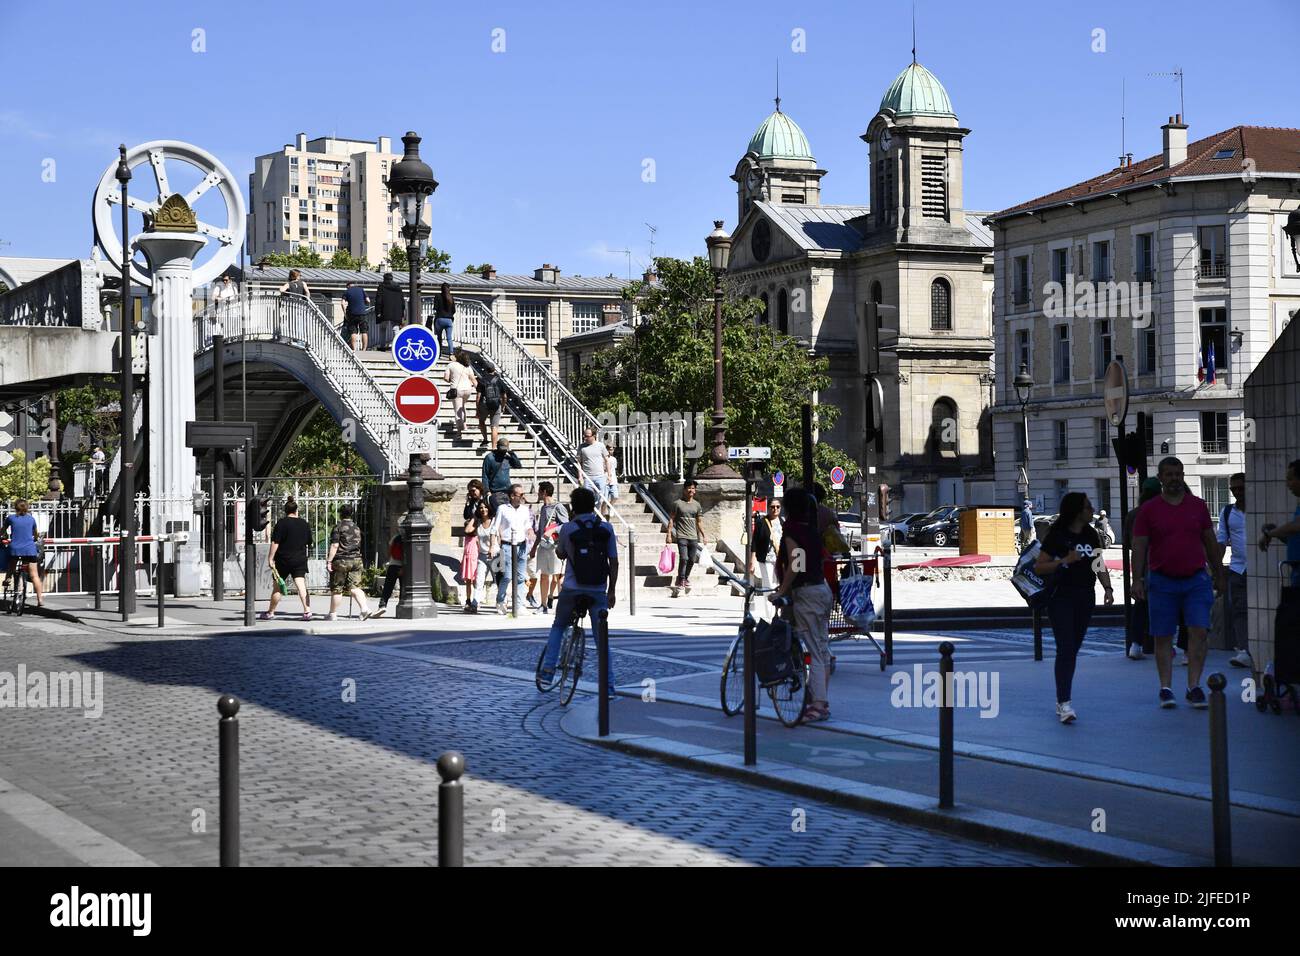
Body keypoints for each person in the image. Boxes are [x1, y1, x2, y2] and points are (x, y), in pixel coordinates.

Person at [1131, 457, 1224, 709]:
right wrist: (1136, 579)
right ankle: (1166, 687)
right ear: (1160, 478)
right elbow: (1139, 547)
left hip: (1196, 580)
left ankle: (1194, 686)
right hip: (1162, 581)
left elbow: (1210, 542)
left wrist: (1219, 573)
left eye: (1178, 474)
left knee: (1199, 632)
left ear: (1183, 475)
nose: (1174, 478)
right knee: (1163, 636)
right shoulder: (1148, 510)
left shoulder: (1198, 506)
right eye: (1169, 474)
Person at [1034, 492, 1114, 723]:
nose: (1092, 510)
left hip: (1085, 597)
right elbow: (1040, 567)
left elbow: (1099, 562)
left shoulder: (1091, 534)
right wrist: (1064, 561)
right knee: (1066, 648)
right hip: (1061, 597)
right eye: (1088, 507)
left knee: (1073, 648)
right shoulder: (1057, 536)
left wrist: (1107, 588)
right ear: (1078, 511)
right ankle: (1064, 702)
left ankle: (1063, 699)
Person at [537, 486, 618, 697]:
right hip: (598, 590)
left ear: (573, 507)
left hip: (572, 588)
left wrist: (560, 549)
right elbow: (614, 561)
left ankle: (547, 671)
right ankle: (608, 686)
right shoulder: (607, 529)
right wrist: (612, 591)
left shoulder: (568, 529)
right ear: (593, 505)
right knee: (602, 640)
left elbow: (562, 553)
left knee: (559, 626)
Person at [770, 489, 833, 722]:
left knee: (815, 651)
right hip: (822, 589)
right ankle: (819, 699)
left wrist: (781, 591)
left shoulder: (793, 531)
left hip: (807, 592)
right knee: (821, 648)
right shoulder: (811, 530)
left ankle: (818, 705)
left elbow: (796, 564)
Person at [1123, 477, 1163, 660]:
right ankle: (1171, 645)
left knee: (1140, 606)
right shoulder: (1161, 511)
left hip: (1142, 566)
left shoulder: (1133, 515)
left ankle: (1136, 644)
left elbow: (1128, 544)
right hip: (1161, 563)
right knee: (1168, 605)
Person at [1217, 472, 1251, 669]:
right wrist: (1217, 567)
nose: (1237, 492)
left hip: (1259, 568)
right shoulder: (1227, 512)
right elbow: (1221, 540)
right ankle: (1244, 651)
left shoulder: (1260, 508)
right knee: (1238, 610)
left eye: (1241, 488)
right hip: (1238, 568)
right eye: (1234, 489)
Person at [261, 498, 311, 621]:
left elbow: (275, 542)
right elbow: (309, 542)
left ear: (285, 511)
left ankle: (270, 612)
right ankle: (307, 611)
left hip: (283, 560)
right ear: (296, 510)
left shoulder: (281, 523)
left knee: (278, 587)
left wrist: (270, 558)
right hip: (299, 559)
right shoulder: (304, 524)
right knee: (301, 586)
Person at [325, 503, 372, 621]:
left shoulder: (338, 527)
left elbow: (335, 545)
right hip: (356, 560)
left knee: (337, 588)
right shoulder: (356, 527)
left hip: (341, 560)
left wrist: (329, 561)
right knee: (355, 587)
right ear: (351, 514)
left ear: (340, 514)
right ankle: (365, 608)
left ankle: (333, 614)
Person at [1259, 458, 1300, 588]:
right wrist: (1275, 532)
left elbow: (1296, 527)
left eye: (1290, 479)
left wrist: (1269, 534)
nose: (1288, 485)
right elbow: (1294, 538)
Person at [530, 481, 569, 613]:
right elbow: (540, 530)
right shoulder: (543, 508)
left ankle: (563, 605)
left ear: (544, 492)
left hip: (555, 546)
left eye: (540, 491)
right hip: (543, 545)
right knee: (544, 575)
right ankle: (543, 604)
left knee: (557, 575)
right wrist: (534, 547)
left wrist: (553, 530)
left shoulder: (558, 507)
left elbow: (566, 525)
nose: (538, 493)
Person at [493, 484, 531, 615]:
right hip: (507, 545)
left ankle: (519, 604)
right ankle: (500, 600)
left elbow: (527, 526)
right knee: (507, 576)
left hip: (521, 545)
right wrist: (494, 544)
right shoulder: (502, 509)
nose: (522, 497)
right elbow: (495, 527)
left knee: (521, 577)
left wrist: (531, 533)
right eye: (520, 495)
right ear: (512, 496)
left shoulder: (525, 510)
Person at [667, 479, 706, 597]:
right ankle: (681, 579)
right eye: (689, 488)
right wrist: (668, 534)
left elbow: (699, 522)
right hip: (682, 536)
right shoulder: (677, 503)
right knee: (684, 558)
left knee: (692, 559)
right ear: (684, 489)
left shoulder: (697, 505)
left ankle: (684, 578)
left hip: (693, 536)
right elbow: (671, 519)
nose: (691, 490)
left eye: (693, 488)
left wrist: (704, 535)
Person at [2, 499, 44, 607]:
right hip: (29, 550)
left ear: (15, 507)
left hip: (15, 549)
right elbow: (35, 534)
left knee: (11, 567)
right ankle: (40, 600)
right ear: (27, 507)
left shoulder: (10, 518)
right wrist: (34, 538)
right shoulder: (31, 519)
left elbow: (2, 531)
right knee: (34, 575)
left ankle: (7, 580)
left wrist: (4, 536)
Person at [748, 498, 783, 621]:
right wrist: (752, 560)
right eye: (772, 507)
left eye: (778, 507)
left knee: (779, 585)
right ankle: (770, 615)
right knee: (769, 585)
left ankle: (778, 614)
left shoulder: (782, 522)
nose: (775, 509)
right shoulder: (762, 522)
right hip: (766, 558)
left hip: (780, 559)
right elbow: (755, 542)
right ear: (768, 508)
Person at [481, 439, 522, 513]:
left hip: (508, 491)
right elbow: (485, 476)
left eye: (505, 449)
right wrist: (487, 491)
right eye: (501, 449)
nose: (503, 451)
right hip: (495, 492)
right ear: (497, 447)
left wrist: (511, 453)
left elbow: (518, 465)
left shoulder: (507, 457)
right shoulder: (490, 458)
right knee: (500, 513)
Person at [471, 501, 497, 611]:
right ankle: (474, 604)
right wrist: (474, 517)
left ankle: (502, 602)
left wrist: (494, 548)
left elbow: (497, 536)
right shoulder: (478, 523)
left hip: (495, 555)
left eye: (485, 507)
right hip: (482, 555)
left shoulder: (494, 521)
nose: (483, 509)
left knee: (498, 580)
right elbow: (467, 530)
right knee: (479, 580)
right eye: (481, 508)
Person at [445, 349, 476, 439]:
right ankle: (465, 424)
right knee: (463, 406)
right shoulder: (467, 366)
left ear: (456, 356)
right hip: (468, 390)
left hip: (457, 390)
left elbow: (446, 378)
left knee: (458, 410)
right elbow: (473, 379)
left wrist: (452, 379)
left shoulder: (451, 365)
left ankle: (459, 432)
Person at [578, 427, 611, 510]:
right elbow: (579, 462)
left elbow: (607, 460)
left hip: (600, 477)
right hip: (587, 477)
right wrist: (580, 476)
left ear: (594, 436)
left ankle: (595, 515)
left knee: (600, 499)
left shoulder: (600, 446)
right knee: (587, 499)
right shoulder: (582, 447)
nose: (585, 438)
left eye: (587, 436)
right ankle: (590, 516)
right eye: (584, 436)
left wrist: (609, 475)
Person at [374, 531, 404, 618]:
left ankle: (382, 606)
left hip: (393, 564)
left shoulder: (396, 537)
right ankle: (401, 607)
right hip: (404, 566)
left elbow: (390, 550)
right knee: (403, 589)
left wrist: (391, 560)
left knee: (387, 587)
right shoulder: (408, 538)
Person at [476, 363, 506, 449]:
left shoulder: (481, 380)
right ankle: (493, 448)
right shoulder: (499, 380)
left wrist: (477, 409)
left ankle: (485, 440)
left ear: (486, 370)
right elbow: (504, 396)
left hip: (484, 405)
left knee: (482, 421)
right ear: (494, 370)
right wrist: (503, 406)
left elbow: (478, 396)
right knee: (494, 427)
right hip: (496, 405)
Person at [374, 271, 405, 350]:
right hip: (396, 312)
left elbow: (379, 300)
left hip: (385, 311)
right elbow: (402, 301)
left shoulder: (381, 287)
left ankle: (382, 346)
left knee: (383, 328)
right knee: (395, 328)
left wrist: (378, 311)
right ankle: (397, 346)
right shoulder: (398, 287)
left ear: (384, 279)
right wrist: (402, 312)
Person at [341, 280, 370, 351]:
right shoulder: (361, 290)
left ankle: (354, 349)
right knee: (364, 331)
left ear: (348, 286)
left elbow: (342, 303)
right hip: (362, 313)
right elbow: (368, 300)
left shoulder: (347, 292)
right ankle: (364, 349)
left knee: (353, 331)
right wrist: (364, 307)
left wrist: (345, 314)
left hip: (352, 314)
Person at [428, 282, 456, 356]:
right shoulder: (451, 297)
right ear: (449, 289)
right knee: (449, 338)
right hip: (449, 320)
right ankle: (451, 353)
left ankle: (439, 353)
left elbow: (435, 308)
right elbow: (454, 310)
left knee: (439, 338)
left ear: (441, 289)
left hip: (439, 319)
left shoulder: (437, 296)